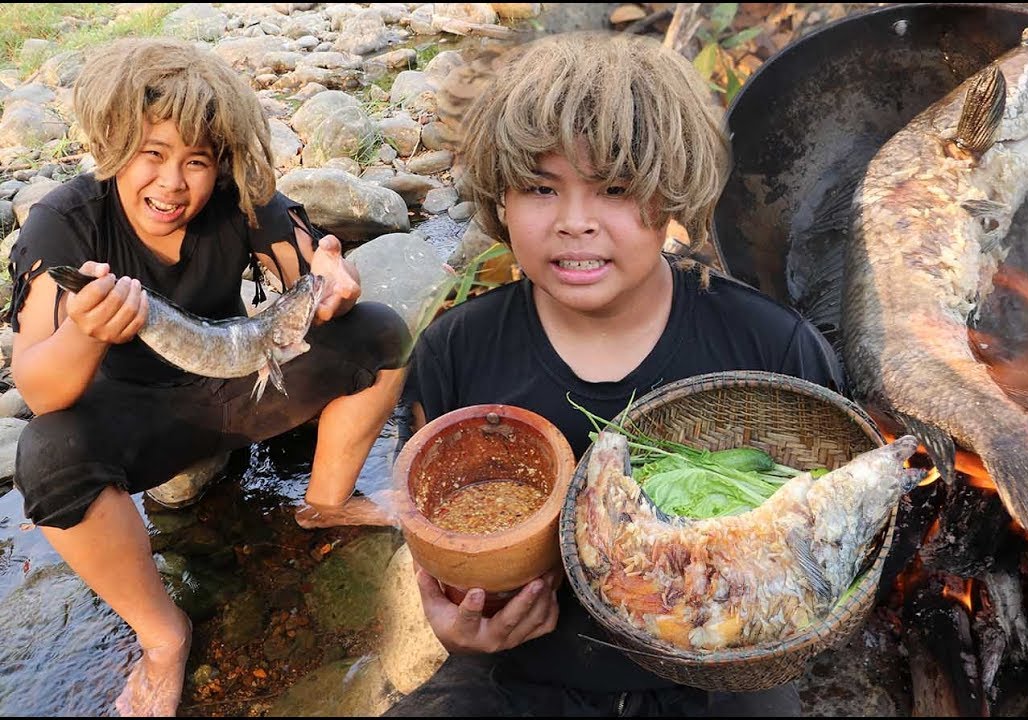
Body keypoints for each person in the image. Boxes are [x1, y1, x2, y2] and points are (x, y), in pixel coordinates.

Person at [390, 31, 843, 717]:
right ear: (500, 200)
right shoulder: (457, 352)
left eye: (616, 189)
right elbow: (432, 531)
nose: (576, 223)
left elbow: (831, 534)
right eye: (541, 187)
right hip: (523, 676)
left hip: (718, 680)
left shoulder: (771, 348)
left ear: (672, 194)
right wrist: (461, 630)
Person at [6, 39, 410, 716]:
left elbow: (311, 275)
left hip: (236, 381)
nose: (172, 184)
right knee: (44, 459)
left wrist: (334, 275)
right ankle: (164, 635)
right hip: (132, 417)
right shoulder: (63, 227)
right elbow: (41, 392)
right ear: (114, 144)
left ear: (221, 161)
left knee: (380, 330)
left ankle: (327, 500)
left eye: (196, 161)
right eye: (152, 154)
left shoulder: (243, 203)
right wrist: (84, 332)